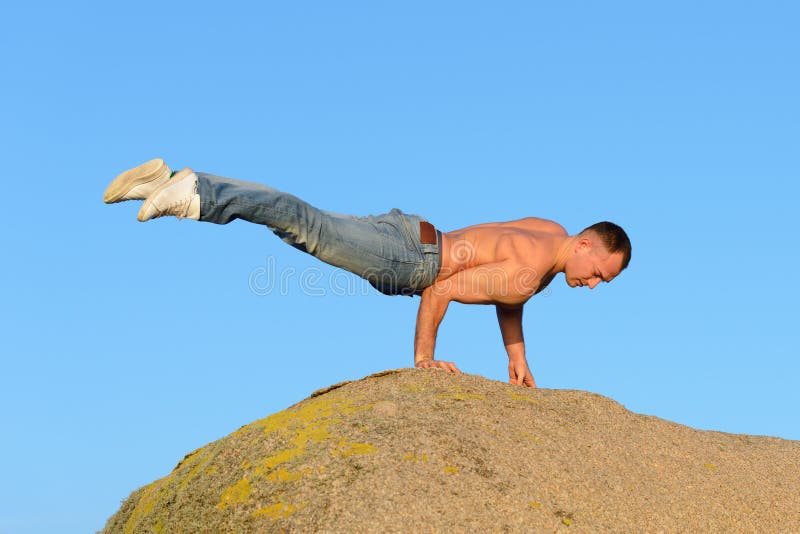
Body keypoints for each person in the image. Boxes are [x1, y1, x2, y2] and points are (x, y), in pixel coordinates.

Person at [104, 158, 632, 387]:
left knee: (305, 218)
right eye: (598, 274)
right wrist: (423, 358)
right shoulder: (529, 275)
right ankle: (194, 192)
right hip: (414, 261)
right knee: (300, 222)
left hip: (417, 231)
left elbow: (510, 287)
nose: (592, 285)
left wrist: (516, 358)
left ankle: (163, 181)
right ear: (586, 244)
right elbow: (445, 288)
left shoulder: (549, 230)